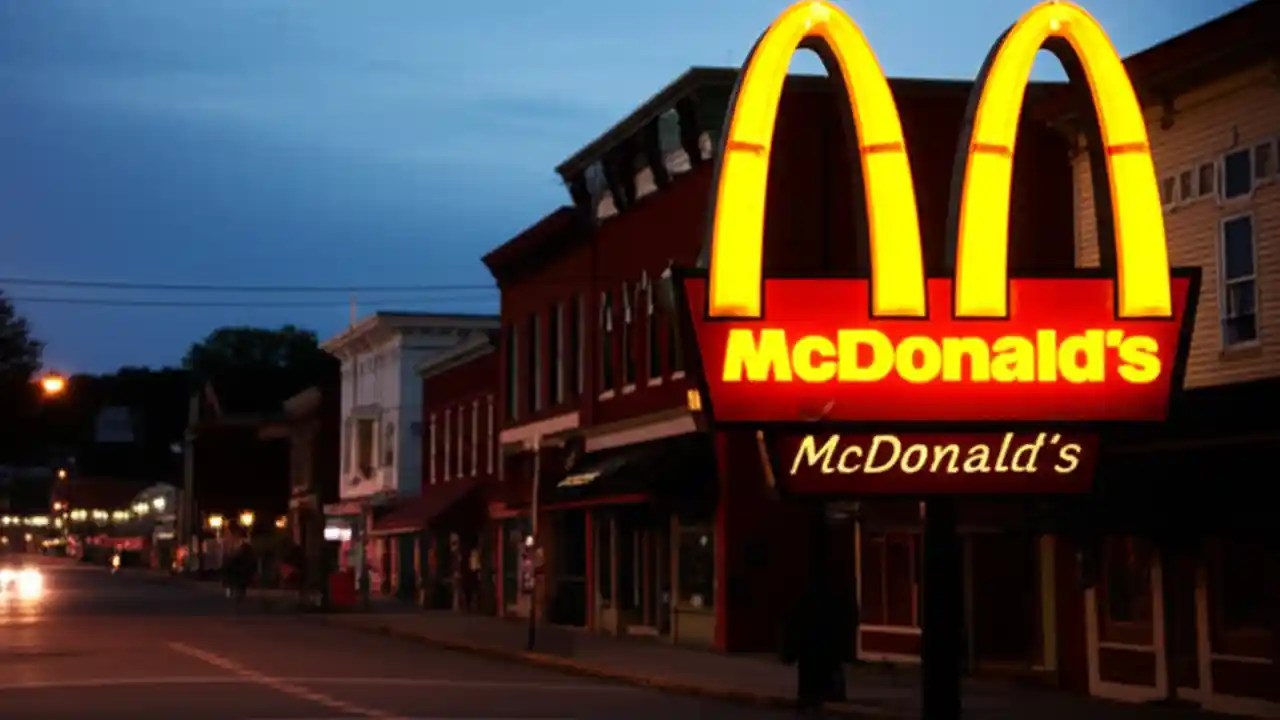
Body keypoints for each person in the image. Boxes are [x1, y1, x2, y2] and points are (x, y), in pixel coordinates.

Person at [782, 574, 855, 715]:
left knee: (810, 675)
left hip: (811, 648)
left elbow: (792, 625)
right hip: (817, 647)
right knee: (822, 670)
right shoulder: (831, 601)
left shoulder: (805, 603)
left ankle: (811, 698)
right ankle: (823, 695)